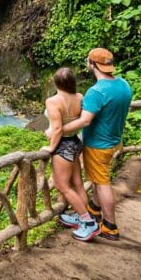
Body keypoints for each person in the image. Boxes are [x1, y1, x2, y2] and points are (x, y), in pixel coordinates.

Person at [59, 48, 133, 241]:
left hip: (98, 144)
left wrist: (60, 130)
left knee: (102, 184)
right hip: (114, 140)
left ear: (91, 64)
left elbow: (85, 121)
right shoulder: (123, 85)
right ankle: (93, 211)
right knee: (98, 179)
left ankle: (109, 226)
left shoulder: (96, 91)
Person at [41, 68, 97, 241]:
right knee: (77, 183)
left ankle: (88, 223)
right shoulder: (79, 97)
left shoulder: (52, 101)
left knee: (62, 186)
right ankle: (83, 216)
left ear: (56, 82)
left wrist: (51, 148)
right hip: (75, 142)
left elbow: (57, 128)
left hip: (63, 146)